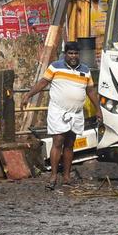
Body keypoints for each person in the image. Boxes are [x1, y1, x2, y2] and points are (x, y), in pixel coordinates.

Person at [20, 42, 100, 188]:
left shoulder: (86, 70)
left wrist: (98, 110)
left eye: (76, 53)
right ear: (65, 54)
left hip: (76, 113)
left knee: (70, 144)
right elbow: (43, 83)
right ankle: (53, 176)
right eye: (70, 53)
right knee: (58, 141)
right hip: (58, 111)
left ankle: (67, 176)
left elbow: (91, 91)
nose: (73, 56)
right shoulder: (55, 67)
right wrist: (28, 95)